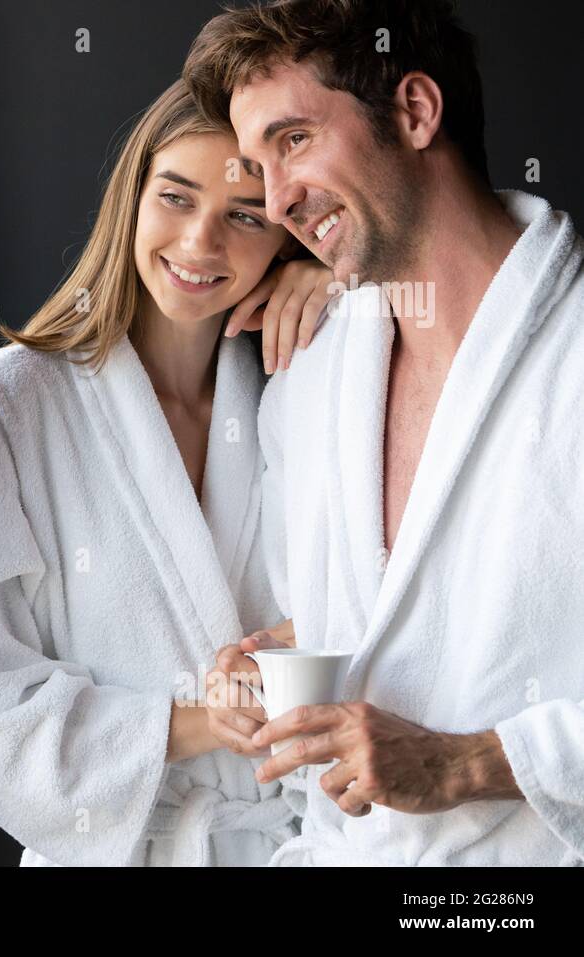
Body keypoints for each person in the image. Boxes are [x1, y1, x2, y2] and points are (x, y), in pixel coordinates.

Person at [186, 0, 584, 865]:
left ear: (413, 112)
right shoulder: (313, 377)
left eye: (294, 141)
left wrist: (467, 762)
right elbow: (390, 612)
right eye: (258, 164)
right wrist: (270, 660)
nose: (278, 198)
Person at [0, 80, 333, 866]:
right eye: (176, 196)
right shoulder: (14, 401)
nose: (201, 243)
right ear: (132, 197)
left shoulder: (305, 385)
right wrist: (196, 722)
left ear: (284, 236)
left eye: (244, 215)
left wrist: (347, 289)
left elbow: (387, 596)